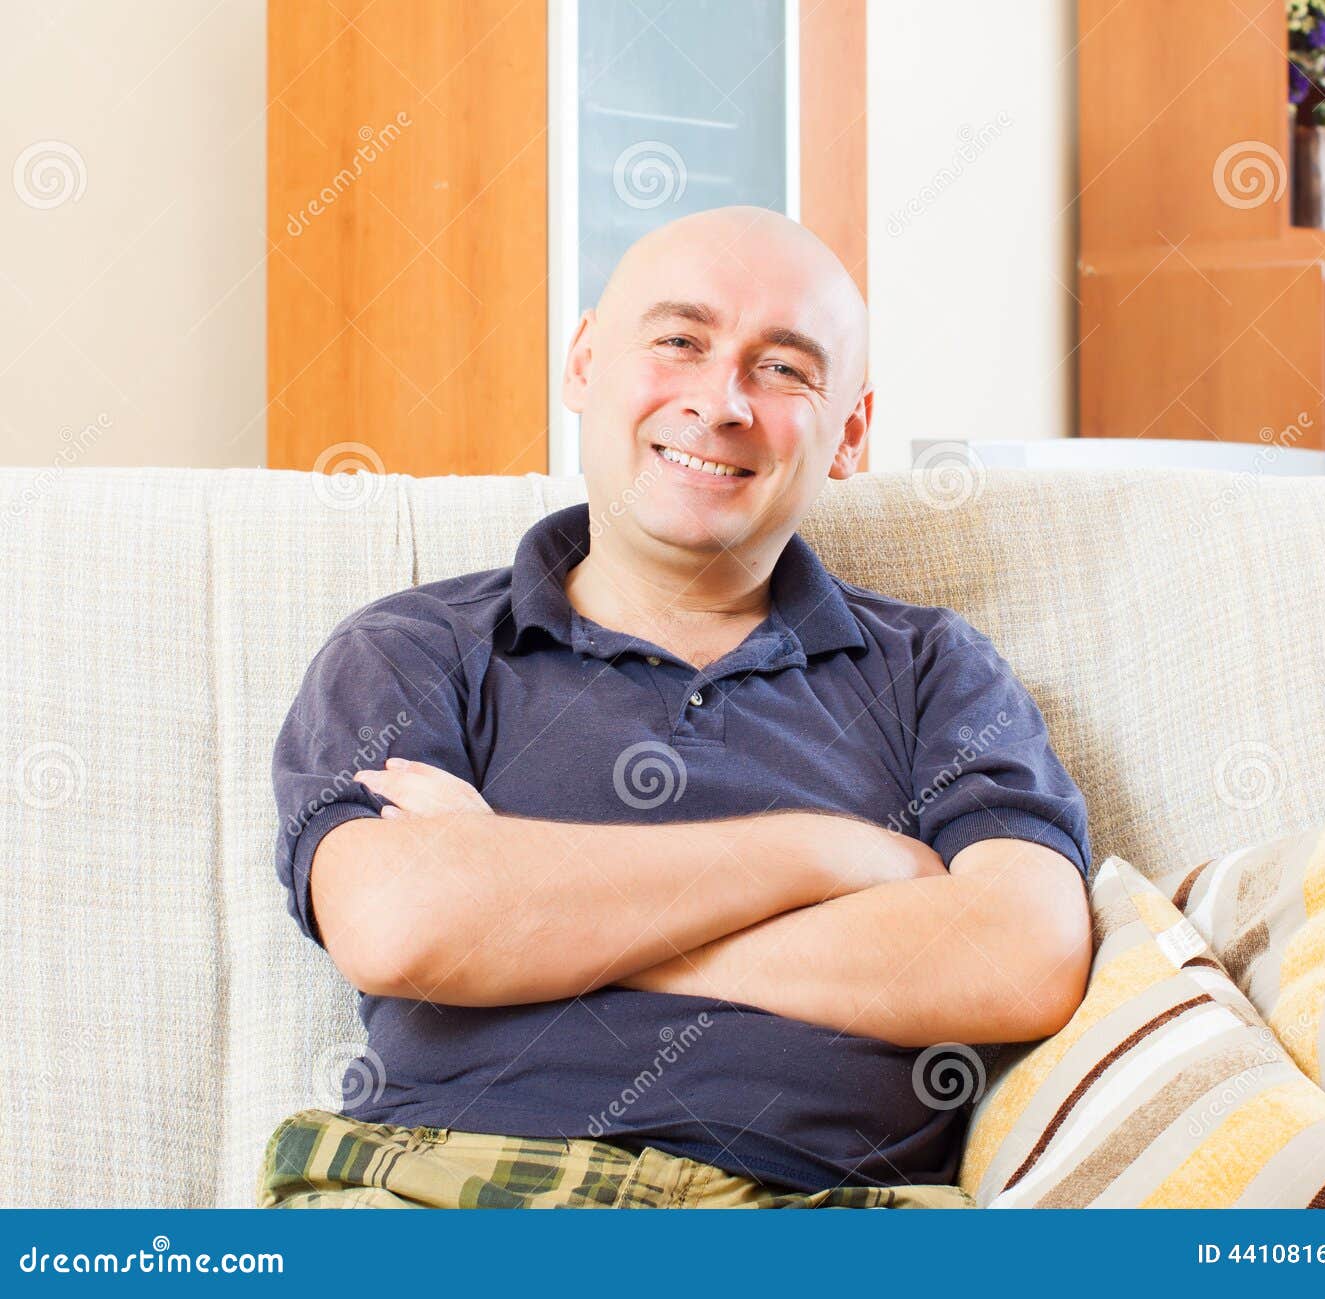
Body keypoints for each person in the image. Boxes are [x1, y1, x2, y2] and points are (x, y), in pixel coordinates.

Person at [261, 205, 1092, 1209]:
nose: (721, 400)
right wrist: (827, 857)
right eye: (680, 342)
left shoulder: (932, 670)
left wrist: (540, 918)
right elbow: (400, 924)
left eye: (783, 367)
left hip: (821, 1214)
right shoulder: (414, 649)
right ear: (583, 363)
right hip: (448, 1187)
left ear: (851, 434)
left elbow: (1022, 958)